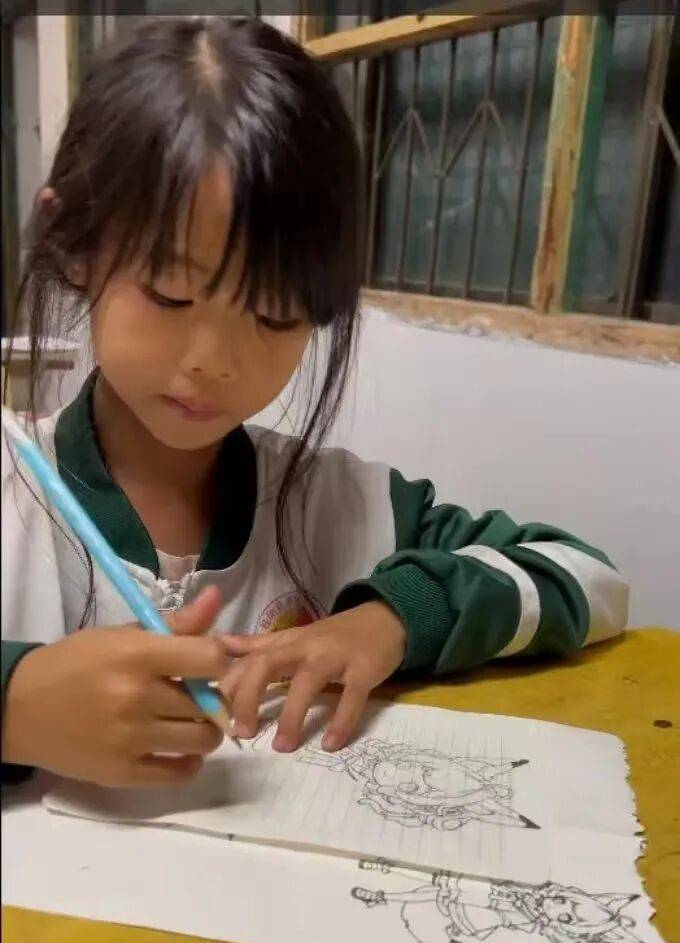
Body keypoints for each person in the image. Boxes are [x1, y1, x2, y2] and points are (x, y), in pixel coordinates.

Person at [0, 17, 628, 790]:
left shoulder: (345, 507)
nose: (213, 361)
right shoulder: (12, 495)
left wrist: (394, 618)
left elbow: (588, 577)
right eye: (170, 294)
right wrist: (14, 706)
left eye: (273, 316)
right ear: (75, 246)